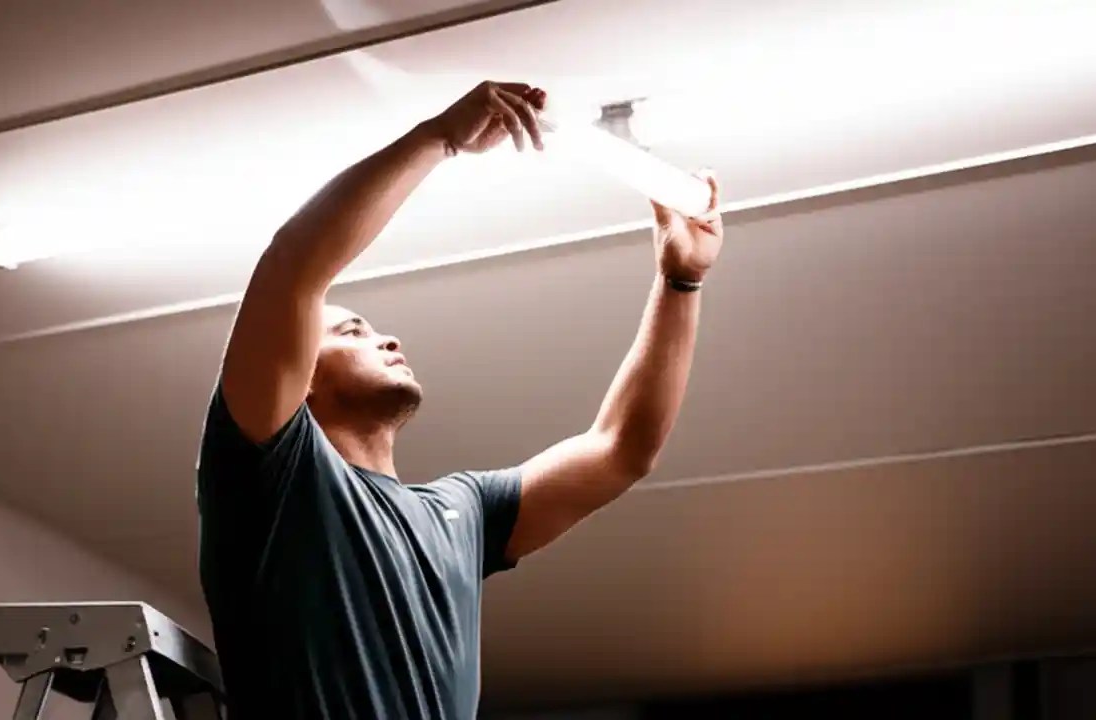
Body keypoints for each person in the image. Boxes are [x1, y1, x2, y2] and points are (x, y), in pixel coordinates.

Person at [196, 80, 724, 719]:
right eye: (352, 331)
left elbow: (621, 450)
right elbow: (294, 268)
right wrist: (437, 137)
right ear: (300, 375)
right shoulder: (272, 477)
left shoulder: (463, 510)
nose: (387, 336)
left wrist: (681, 279)